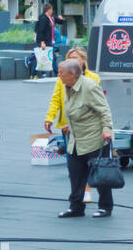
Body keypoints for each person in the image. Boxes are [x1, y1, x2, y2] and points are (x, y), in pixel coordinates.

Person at [56, 59, 115, 219]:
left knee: (100, 174)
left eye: (61, 72)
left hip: (93, 138)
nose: (58, 75)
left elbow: (104, 110)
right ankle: (76, 207)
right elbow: (77, 110)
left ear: (72, 74)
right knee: (76, 175)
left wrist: (107, 130)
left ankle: (105, 207)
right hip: (75, 139)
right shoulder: (66, 86)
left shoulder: (89, 87)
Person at [45, 46, 99, 137]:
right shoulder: (61, 78)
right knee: (66, 150)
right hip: (66, 125)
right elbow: (55, 100)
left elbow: (97, 104)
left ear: (83, 59)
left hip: (86, 125)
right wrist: (49, 119)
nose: (70, 61)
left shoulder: (94, 78)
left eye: (74, 58)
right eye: (69, 59)